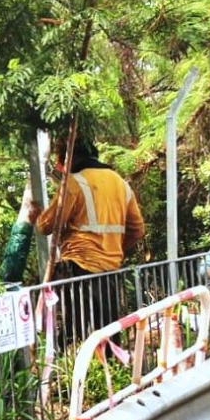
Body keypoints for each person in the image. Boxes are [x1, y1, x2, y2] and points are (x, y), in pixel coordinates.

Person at [36, 135, 145, 335]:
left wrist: (38, 216)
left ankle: (72, 363)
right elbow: (138, 230)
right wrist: (115, 249)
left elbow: (46, 226)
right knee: (109, 329)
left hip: (79, 267)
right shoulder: (120, 183)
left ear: (70, 158)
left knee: (74, 328)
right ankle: (111, 364)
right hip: (110, 269)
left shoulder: (74, 182)